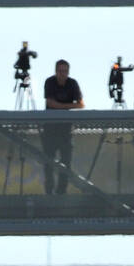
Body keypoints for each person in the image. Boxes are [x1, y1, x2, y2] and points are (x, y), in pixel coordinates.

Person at [42, 60, 84, 196]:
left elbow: (81, 104)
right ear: (56, 71)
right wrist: (67, 106)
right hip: (50, 129)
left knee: (66, 163)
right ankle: (49, 192)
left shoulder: (72, 83)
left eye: (65, 71)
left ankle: (61, 193)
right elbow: (50, 102)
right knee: (48, 163)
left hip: (65, 130)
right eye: (60, 71)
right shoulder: (50, 82)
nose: (63, 74)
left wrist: (60, 106)